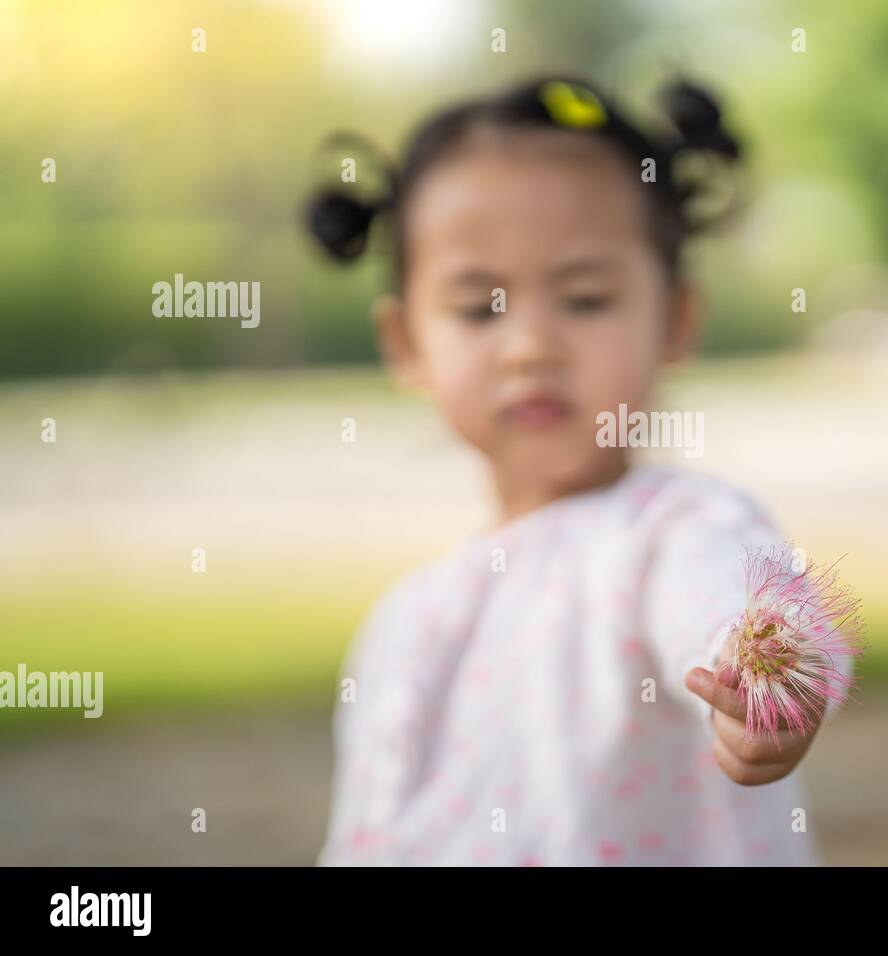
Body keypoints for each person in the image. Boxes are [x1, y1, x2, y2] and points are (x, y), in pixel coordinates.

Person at [307, 76, 857, 865]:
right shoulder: (405, 620)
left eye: (586, 298)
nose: (530, 345)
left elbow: (727, 596)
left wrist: (767, 669)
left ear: (673, 321)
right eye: (479, 308)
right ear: (405, 344)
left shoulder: (672, 532)